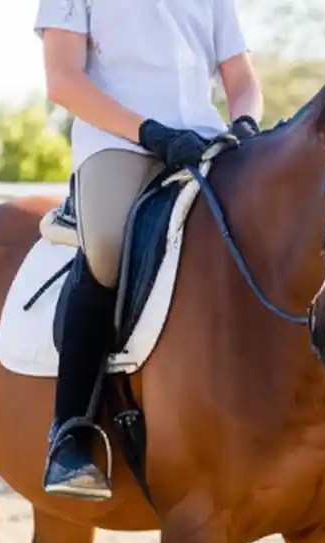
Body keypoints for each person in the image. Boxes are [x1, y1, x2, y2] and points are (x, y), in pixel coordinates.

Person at [33, 0, 264, 500]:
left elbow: (241, 78)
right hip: (120, 144)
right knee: (110, 248)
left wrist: (244, 123)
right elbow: (63, 80)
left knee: (274, 228)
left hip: (205, 144)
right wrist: (150, 132)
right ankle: (70, 433)